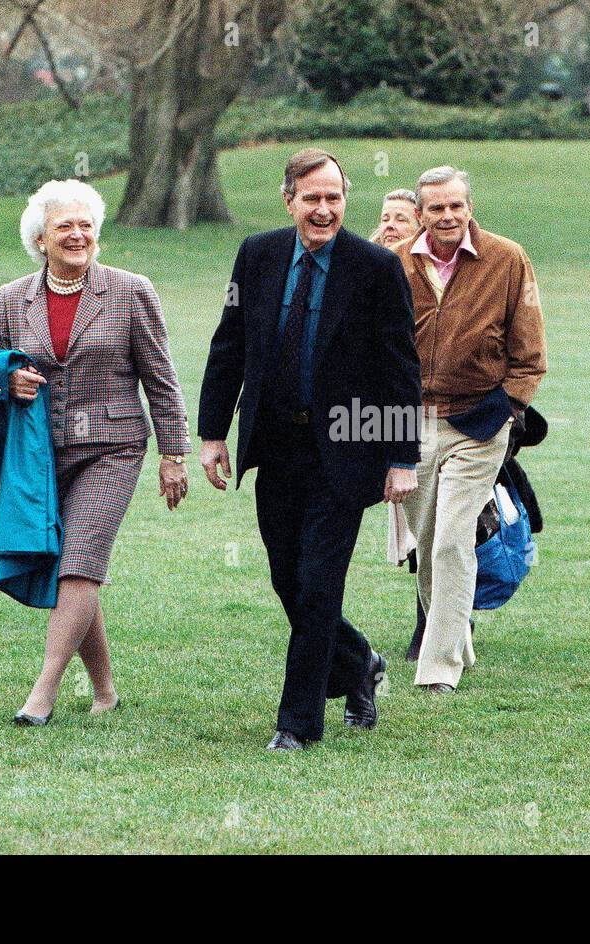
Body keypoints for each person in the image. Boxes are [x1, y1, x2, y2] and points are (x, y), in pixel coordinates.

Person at [198, 148, 421, 750]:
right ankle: (360, 663)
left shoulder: (375, 267)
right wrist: (213, 433)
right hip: (276, 445)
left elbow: (401, 366)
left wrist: (402, 458)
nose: (324, 210)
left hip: (348, 450)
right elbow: (229, 343)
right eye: (312, 198)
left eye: (335, 198)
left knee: (319, 584)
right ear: (288, 199)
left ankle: (296, 725)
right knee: (287, 580)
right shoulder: (259, 255)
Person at [0, 179, 190, 725]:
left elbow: (162, 379)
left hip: (115, 445)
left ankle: (44, 690)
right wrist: (9, 385)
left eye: (86, 226)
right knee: (69, 565)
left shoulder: (130, 290)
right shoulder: (11, 299)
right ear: (40, 238)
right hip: (42, 453)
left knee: (79, 562)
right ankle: (105, 692)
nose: (78, 235)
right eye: (65, 226)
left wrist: (173, 454)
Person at [392, 166, 547, 693]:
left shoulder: (507, 259)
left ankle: (437, 669)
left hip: (477, 423)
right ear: (419, 214)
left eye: (456, 206)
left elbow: (530, 354)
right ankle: (454, 633)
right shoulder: (394, 264)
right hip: (407, 424)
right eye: (436, 208)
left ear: (469, 207)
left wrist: (507, 407)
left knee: (453, 539)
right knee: (427, 538)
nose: (447, 216)